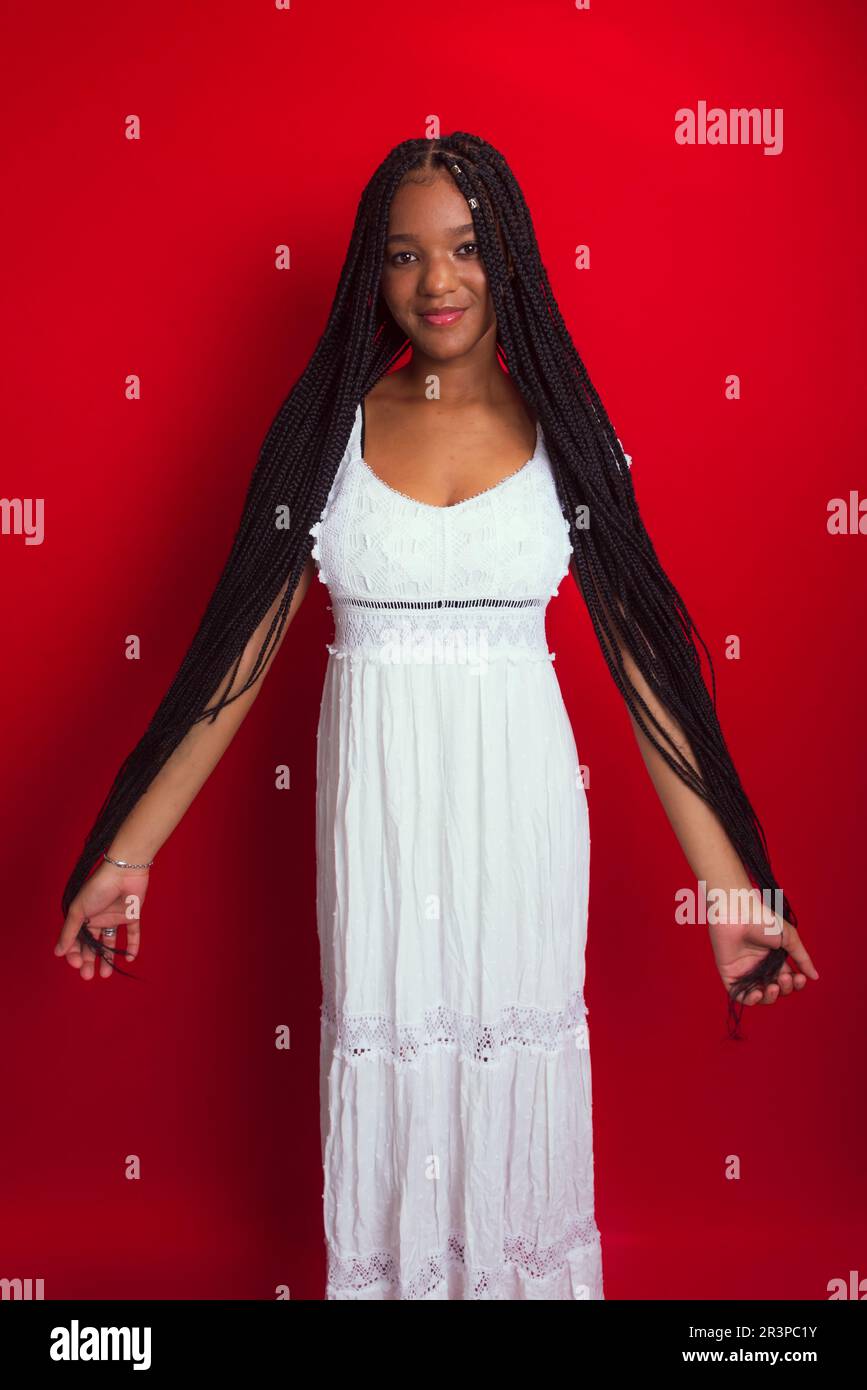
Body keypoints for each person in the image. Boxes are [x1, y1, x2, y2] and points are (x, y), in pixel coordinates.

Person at [54, 132, 818, 1300]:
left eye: (465, 249)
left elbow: (647, 672)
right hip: (383, 832)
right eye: (406, 256)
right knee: (402, 1071)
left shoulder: (567, 442)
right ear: (376, 273)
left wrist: (730, 896)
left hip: (520, 827)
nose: (438, 282)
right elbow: (237, 660)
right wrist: (126, 852)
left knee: (513, 1080)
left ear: (507, 262)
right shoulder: (326, 441)